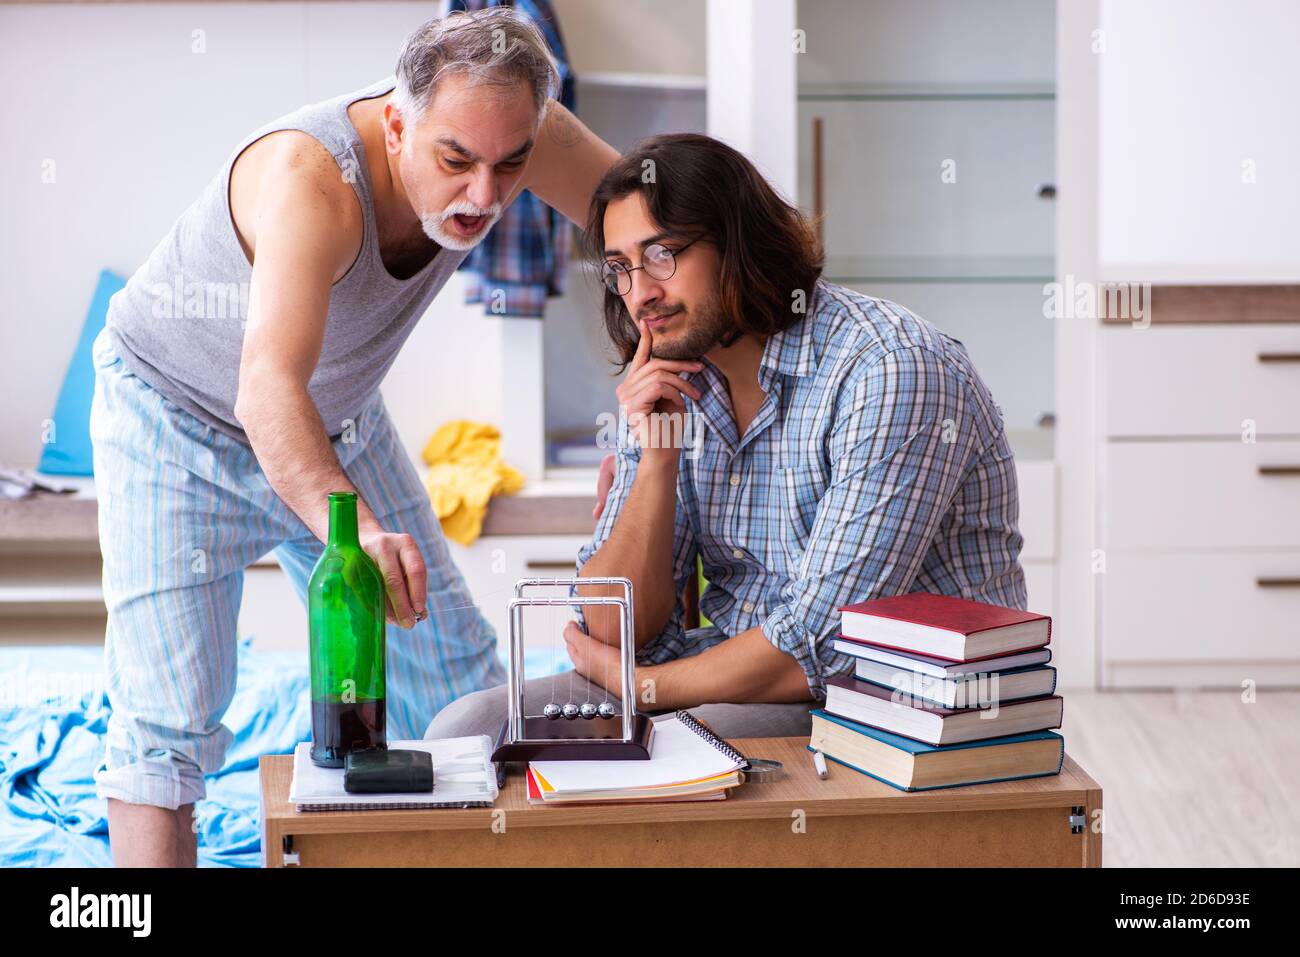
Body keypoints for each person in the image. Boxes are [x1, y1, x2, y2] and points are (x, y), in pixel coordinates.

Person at [90, 8, 618, 866]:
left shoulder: (512, 126)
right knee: (167, 728)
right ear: (397, 122)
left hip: (336, 420)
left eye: (510, 165)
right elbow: (266, 391)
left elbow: (649, 214)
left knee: (462, 686)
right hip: (175, 415)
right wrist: (360, 528)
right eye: (456, 162)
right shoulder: (312, 180)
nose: (485, 197)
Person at [424, 133, 1026, 743]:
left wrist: (645, 689)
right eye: (620, 269)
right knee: (468, 729)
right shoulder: (674, 376)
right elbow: (612, 629)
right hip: (726, 676)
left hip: (895, 693)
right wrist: (656, 458)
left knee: (676, 743)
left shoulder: (890, 366)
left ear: (739, 244)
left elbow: (823, 646)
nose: (641, 293)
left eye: (662, 255)